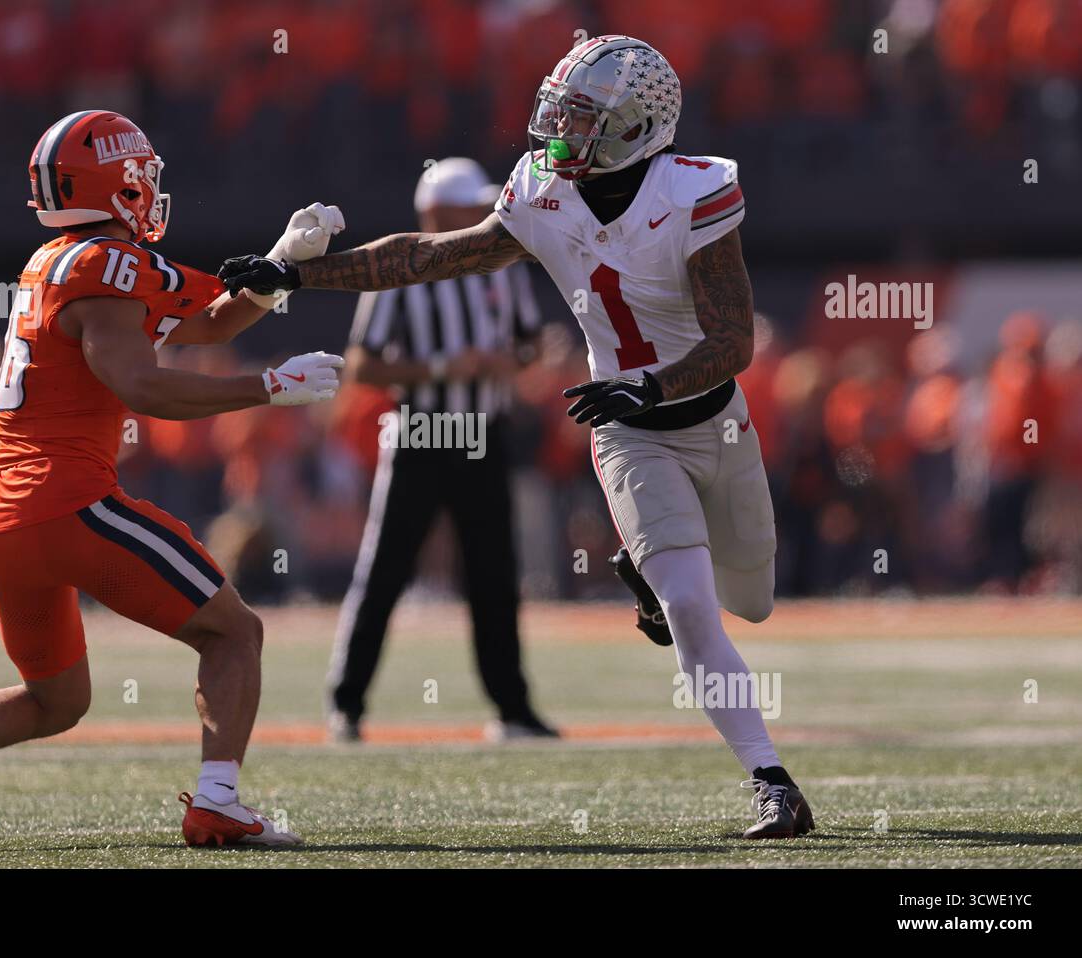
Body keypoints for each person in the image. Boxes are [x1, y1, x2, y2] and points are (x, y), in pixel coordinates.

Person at [219, 37, 814, 839]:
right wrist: (296, 276)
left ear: (637, 126)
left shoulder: (695, 190)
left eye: (583, 117)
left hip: (713, 419)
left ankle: (646, 573)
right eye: (559, 110)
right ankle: (773, 782)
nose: (558, 130)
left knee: (755, 601)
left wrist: (650, 382)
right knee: (693, 610)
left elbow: (733, 341)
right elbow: (435, 255)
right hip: (631, 434)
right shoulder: (541, 190)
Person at [0, 110, 346, 851]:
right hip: (69, 503)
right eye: (142, 173)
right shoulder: (104, 267)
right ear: (120, 183)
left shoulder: (61, 262)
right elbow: (143, 387)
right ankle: (218, 803)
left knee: (56, 700)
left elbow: (202, 323)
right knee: (234, 631)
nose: (153, 187)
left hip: (4, 519)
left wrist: (278, 264)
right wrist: (266, 388)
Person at [327, 158, 556, 742]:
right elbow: (360, 364)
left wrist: (515, 361)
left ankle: (512, 708)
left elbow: (531, 344)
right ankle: (346, 704)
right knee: (386, 568)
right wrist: (438, 367)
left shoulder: (502, 266)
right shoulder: (403, 271)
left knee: (494, 574)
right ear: (436, 213)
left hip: (484, 429)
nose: (483, 216)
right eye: (469, 207)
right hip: (422, 429)